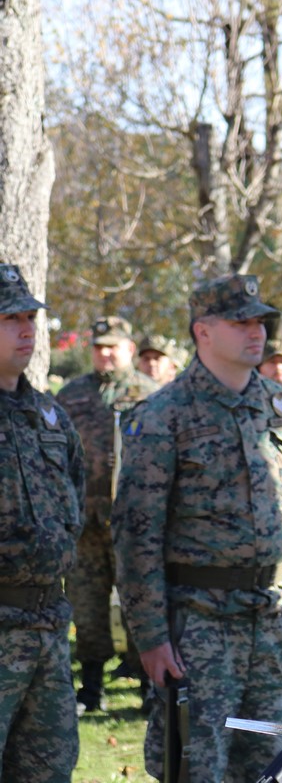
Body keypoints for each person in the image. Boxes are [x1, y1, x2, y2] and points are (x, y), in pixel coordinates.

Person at [111, 274, 282, 781]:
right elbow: (136, 536)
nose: (256, 331)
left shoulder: (281, 409)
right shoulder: (162, 416)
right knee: (199, 763)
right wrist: (150, 636)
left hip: (268, 614)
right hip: (199, 621)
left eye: (260, 320)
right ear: (203, 332)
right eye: (240, 321)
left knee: (276, 761)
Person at [0, 264, 85, 781]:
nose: (28, 329)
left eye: (31, 316)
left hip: (47, 627)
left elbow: (74, 497)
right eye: (11, 317)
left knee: (48, 769)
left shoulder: (49, 417)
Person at [56, 315, 160, 713]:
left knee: (139, 600)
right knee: (87, 605)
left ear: (129, 348)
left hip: (134, 522)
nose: (105, 353)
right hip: (85, 522)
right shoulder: (72, 395)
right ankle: (92, 686)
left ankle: (148, 688)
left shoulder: (149, 393)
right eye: (99, 347)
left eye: (112, 346)